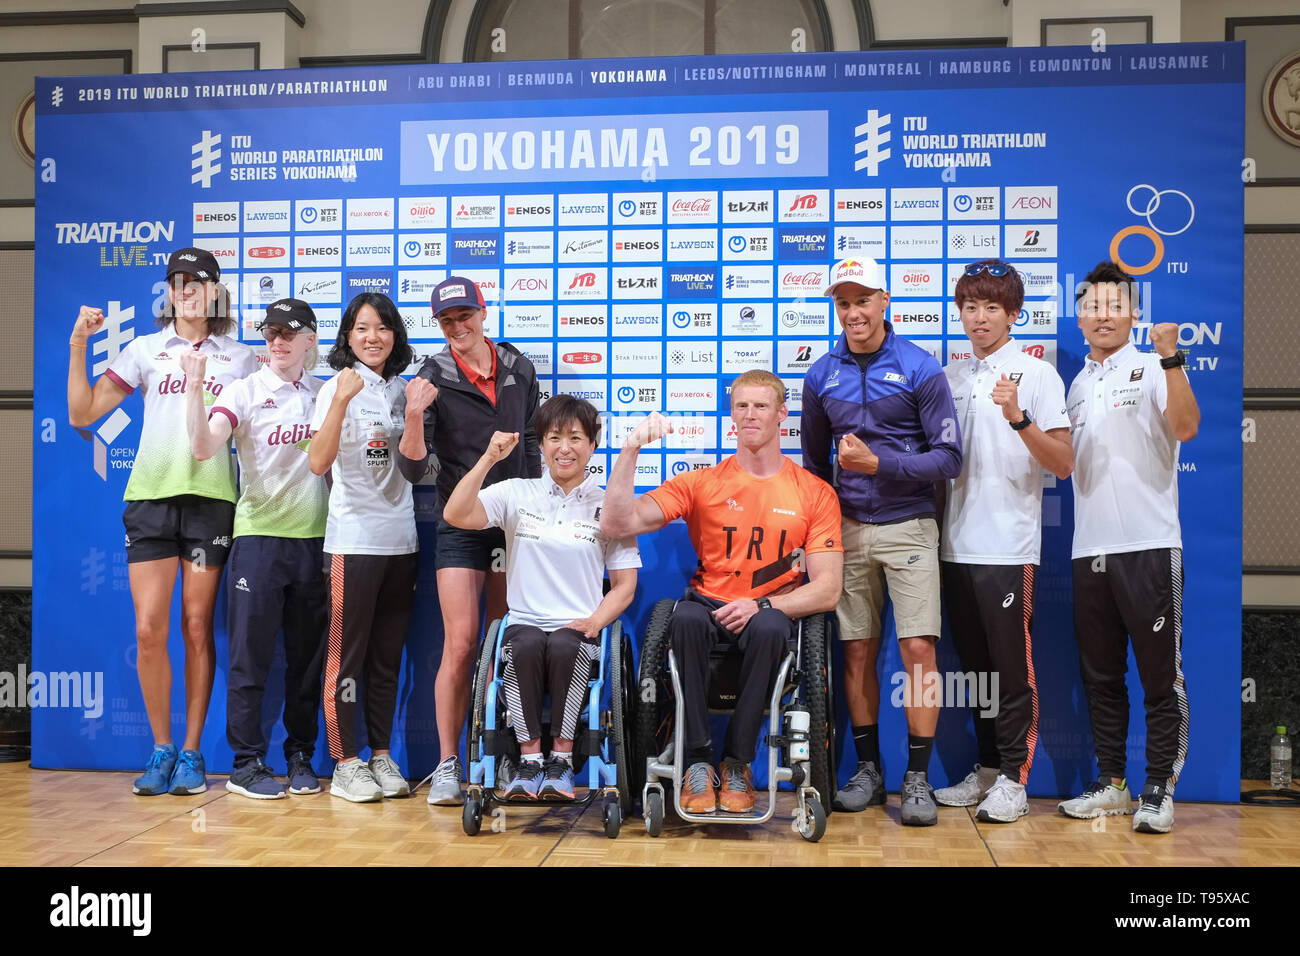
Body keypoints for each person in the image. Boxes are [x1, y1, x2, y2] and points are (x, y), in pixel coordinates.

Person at [600, 370, 843, 813]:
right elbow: (616, 524)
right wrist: (630, 449)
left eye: (761, 406)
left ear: (781, 415)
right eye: (742, 406)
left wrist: (763, 604)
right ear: (732, 415)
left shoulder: (814, 492)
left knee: (770, 627)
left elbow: (827, 590)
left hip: (770, 612)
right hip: (708, 607)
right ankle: (695, 763)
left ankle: (737, 764)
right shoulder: (701, 483)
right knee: (686, 617)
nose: (750, 415)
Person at [68, 247, 257, 795]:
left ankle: (193, 754)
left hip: (212, 501)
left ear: (216, 292)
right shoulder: (145, 350)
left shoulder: (241, 358)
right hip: (151, 499)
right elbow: (82, 414)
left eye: (197, 282)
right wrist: (79, 340)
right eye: (177, 282)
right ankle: (161, 748)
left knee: (197, 626)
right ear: (169, 292)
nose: (187, 290)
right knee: (149, 629)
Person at [800, 257, 962, 826]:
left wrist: (880, 463)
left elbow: (949, 458)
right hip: (845, 531)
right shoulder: (821, 374)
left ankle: (916, 777)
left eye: (862, 299)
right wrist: (820, 530)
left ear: (885, 300)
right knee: (856, 651)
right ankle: (869, 773)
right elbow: (815, 466)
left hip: (910, 524)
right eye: (843, 303)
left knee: (920, 650)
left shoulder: (920, 367)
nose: (853, 312)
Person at [1058, 261, 1198, 834]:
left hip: (1149, 543)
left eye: (1116, 306)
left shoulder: (1152, 365)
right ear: (1080, 314)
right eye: (1093, 306)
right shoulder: (1076, 384)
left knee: (1162, 678)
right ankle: (1112, 784)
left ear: (1133, 312)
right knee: (1100, 676)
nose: (1103, 315)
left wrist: (1171, 359)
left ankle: (1159, 789)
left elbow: (1186, 427)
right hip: (1090, 548)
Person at [931, 261, 1074, 823]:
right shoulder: (950, 377)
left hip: (1009, 548)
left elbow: (1063, 463)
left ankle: (1015, 778)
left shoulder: (1036, 374)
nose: (980, 317)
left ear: (1014, 314)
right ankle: (988, 770)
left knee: (1013, 670)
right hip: (954, 546)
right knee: (979, 670)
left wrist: (1018, 418)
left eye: (993, 307)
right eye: (971, 306)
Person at [442, 395, 639, 800]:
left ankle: (561, 762)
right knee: (525, 642)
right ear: (541, 445)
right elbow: (456, 515)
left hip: (579, 625)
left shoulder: (609, 505)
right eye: (554, 438)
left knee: (569, 645)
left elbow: (624, 584)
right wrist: (487, 461)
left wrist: (595, 621)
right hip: (525, 621)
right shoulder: (516, 492)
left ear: (593, 445)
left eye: (575, 438)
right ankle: (529, 760)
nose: (564, 447)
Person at [398, 276, 541, 806]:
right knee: (460, 646)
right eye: (446, 321)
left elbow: (531, 443)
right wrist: (413, 413)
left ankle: (503, 754)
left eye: (465, 316)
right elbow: (413, 468)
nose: (458, 327)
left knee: (506, 643)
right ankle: (446, 764)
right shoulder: (431, 375)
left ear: (484, 312)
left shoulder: (518, 368)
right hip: (459, 523)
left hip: (515, 524)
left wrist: (535, 513)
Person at [182, 298, 329, 799]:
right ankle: (246, 763)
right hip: (258, 540)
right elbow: (204, 447)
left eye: (288, 333)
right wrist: (196, 387)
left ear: (310, 339)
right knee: (250, 658)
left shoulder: (326, 395)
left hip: (316, 541)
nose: (277, 342)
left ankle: (301, 756)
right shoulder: (243, 389)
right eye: (269, 334)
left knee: (308, 660)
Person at [309, 292, 418, 803]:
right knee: (345, 658)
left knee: (386, 659)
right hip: (354, 541)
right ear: (347, 337)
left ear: (395, 335)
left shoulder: (404, 390)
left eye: (382, 328)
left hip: (403, 542)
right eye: (361, 328)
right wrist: (339, 400)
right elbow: (316, 463)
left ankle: (379, 753)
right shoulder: (336, 385)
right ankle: (344, 761)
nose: (372, 337)